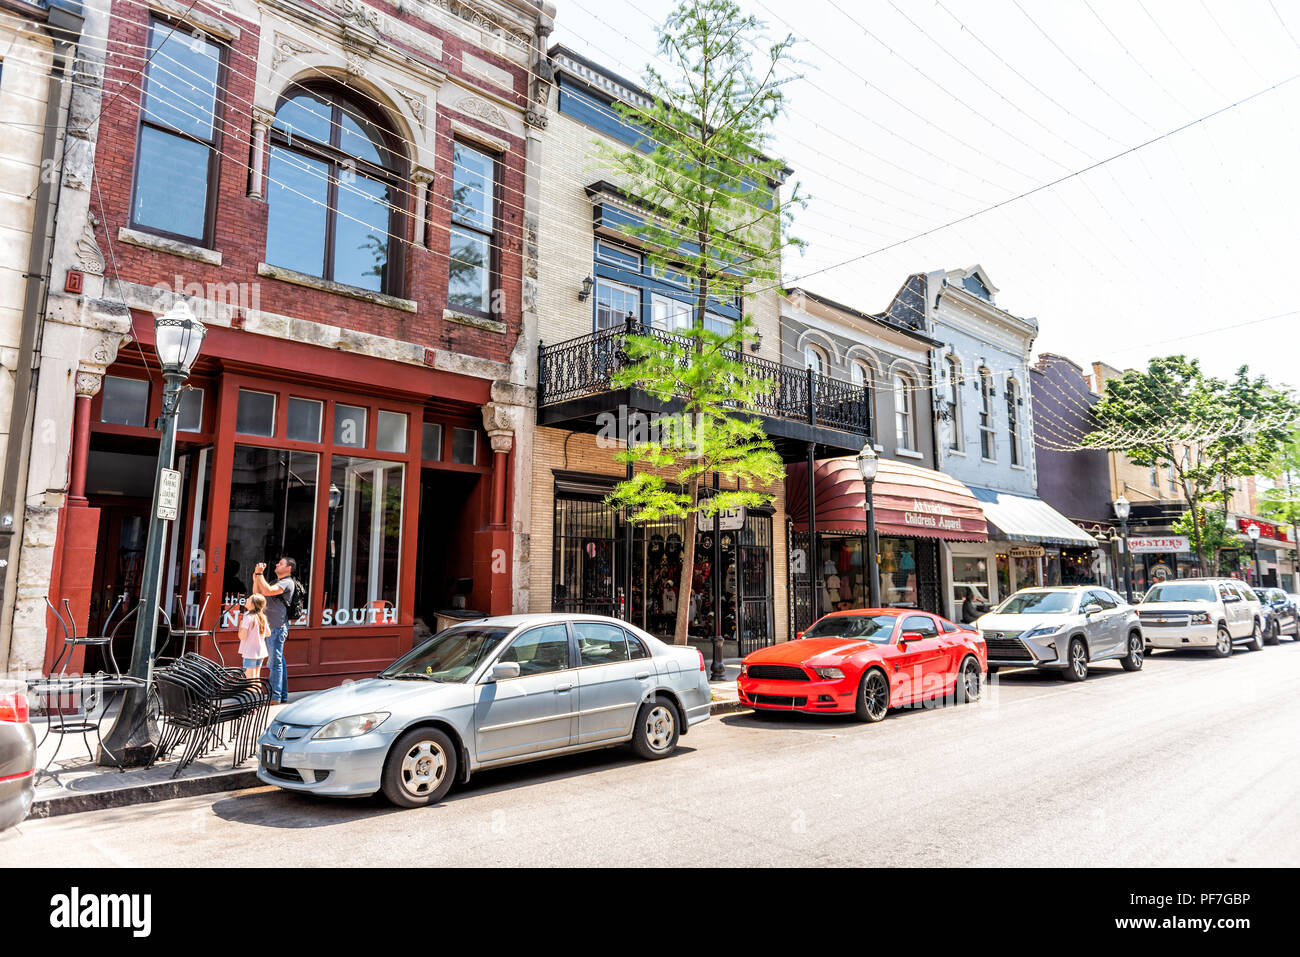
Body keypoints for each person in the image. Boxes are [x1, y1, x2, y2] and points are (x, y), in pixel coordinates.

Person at [254, 557, 297, 703]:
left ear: (288, 568)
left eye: (281, 563)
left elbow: (267, 591)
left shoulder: (287, 582)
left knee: (274, 662)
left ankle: (275, 697)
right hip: (268, 627)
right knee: (278, 660)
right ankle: (282, 694)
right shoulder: (274, 581)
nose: (277, 564)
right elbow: (257, 594)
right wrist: (256, 577)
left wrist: (260, 575)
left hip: (277, 628)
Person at [238, 594, 270, 680]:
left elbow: (242, 636)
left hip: (250, 652)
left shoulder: (248, 617)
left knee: (249, 679)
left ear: (253, 604)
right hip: (260, 651)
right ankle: (258, 693)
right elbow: (268, 633)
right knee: (256, 677)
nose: (246, 600)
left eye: (248, 599)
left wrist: (240, 626)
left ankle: (252, 693)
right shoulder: (262, 617)